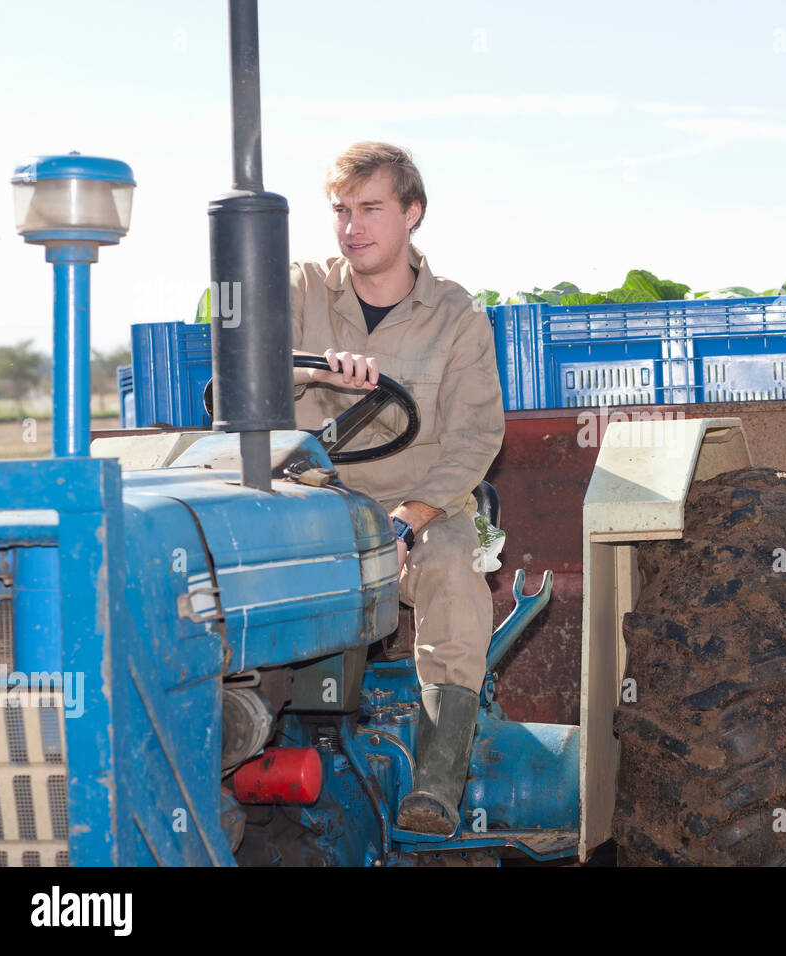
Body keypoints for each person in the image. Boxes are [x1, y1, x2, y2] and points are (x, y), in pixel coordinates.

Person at [288, 141, 505, 836]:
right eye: (341, 211)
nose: (352, 226)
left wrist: (408, 521)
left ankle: (438, 777)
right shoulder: (300, 290)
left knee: (452, 570)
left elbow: (475, 439)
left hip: (423, 507)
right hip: (314, 502)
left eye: (371, 208)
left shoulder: (457, 316)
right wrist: (313, 375)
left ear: (412, 214)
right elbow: (237, 372)